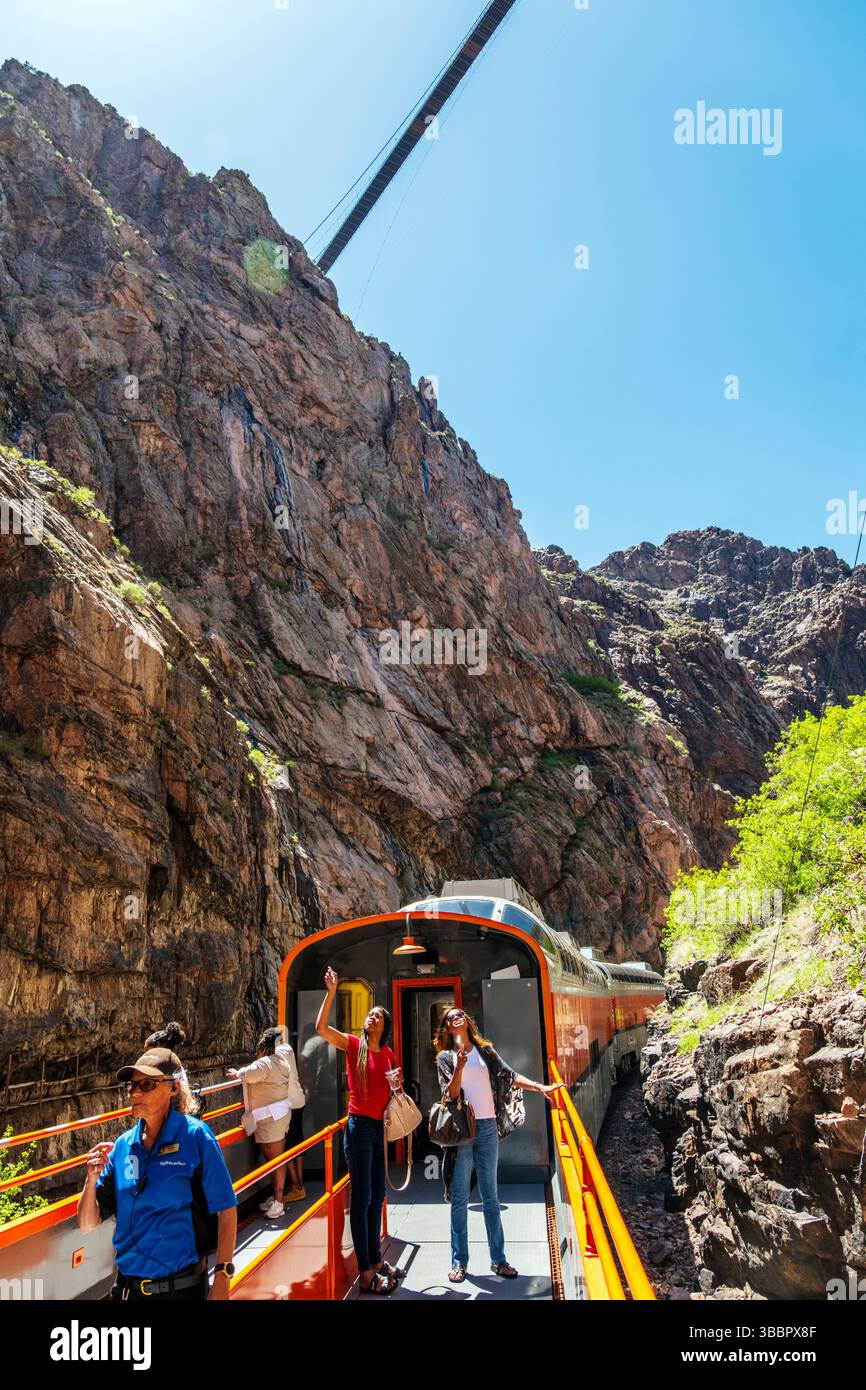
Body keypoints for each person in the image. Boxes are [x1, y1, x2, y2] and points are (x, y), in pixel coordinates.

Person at [78, 1043, 238, 1301]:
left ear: (173, 1088)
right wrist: (91, 1178)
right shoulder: (123, 1147)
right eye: (131, 1086)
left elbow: (227, 1209)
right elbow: (87, 1224)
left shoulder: (196, 1137)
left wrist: (222, 1280)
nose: (135, 1093)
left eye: (146, 1085)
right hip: (128, 1291)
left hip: (181, 1290)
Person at [435, 1007, 564, 1284]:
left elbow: (509, 1075)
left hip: (487, 1128)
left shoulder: (486, 1053)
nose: (455, 1018)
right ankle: (459, 1262)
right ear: (448, 1028)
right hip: (462, 1133)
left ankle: (499, 1260)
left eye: (459, 1014)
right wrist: (458, 1066)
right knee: (459, 1199)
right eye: (450, 1018)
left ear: (466, 1021)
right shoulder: (445, 1058)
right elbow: (451, 1094)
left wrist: (540, 1087)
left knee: (491, 1198)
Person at [315, 967, 405, 1295]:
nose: (371, 1017)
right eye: (369, 1015)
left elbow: (395, 1091)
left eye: (377, 1016)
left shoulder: (389, 1054)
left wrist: (397, 1086)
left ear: (385, 1025)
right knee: (363, 1196)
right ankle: (365, 1272)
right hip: (359, 1128)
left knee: (378, 1194)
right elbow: (321, 1028)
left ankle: (376, 1260)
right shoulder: (354, 1045)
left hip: (379, 1127)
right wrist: (331, 991)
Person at [226, 1027, 306, 1219]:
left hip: (270, 1118)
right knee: (277, 1158)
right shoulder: (281, 1061)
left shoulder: (266, 1064)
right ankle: (277, 1198)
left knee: (275, 1159)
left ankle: (279, 1202)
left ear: (264, 1045)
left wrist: (238, 1072)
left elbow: (249, 1073)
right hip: (278, 1115)